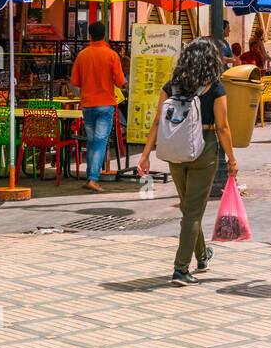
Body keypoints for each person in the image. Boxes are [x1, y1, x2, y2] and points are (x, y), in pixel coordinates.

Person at [138, 38, 237, 286]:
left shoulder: (172, 85)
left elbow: (158, 121)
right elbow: (223, 127)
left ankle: (202, 256)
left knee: (188, 206)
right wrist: (232, 158)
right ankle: (181, 269)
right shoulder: (215, 87)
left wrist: (146, 154)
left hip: (175, 148)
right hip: (205, 147)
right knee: (192, 210)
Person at [71, 20, 127, 193]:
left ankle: (90, 176)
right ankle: (93, 178)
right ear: (105, 35)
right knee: (100, 142)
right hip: (105, 104)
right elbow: (120, 81)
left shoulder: (82, 55)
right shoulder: (111, 55)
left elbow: (74, 82)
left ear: (90, 35)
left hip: (87, 104)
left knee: (92, 142)